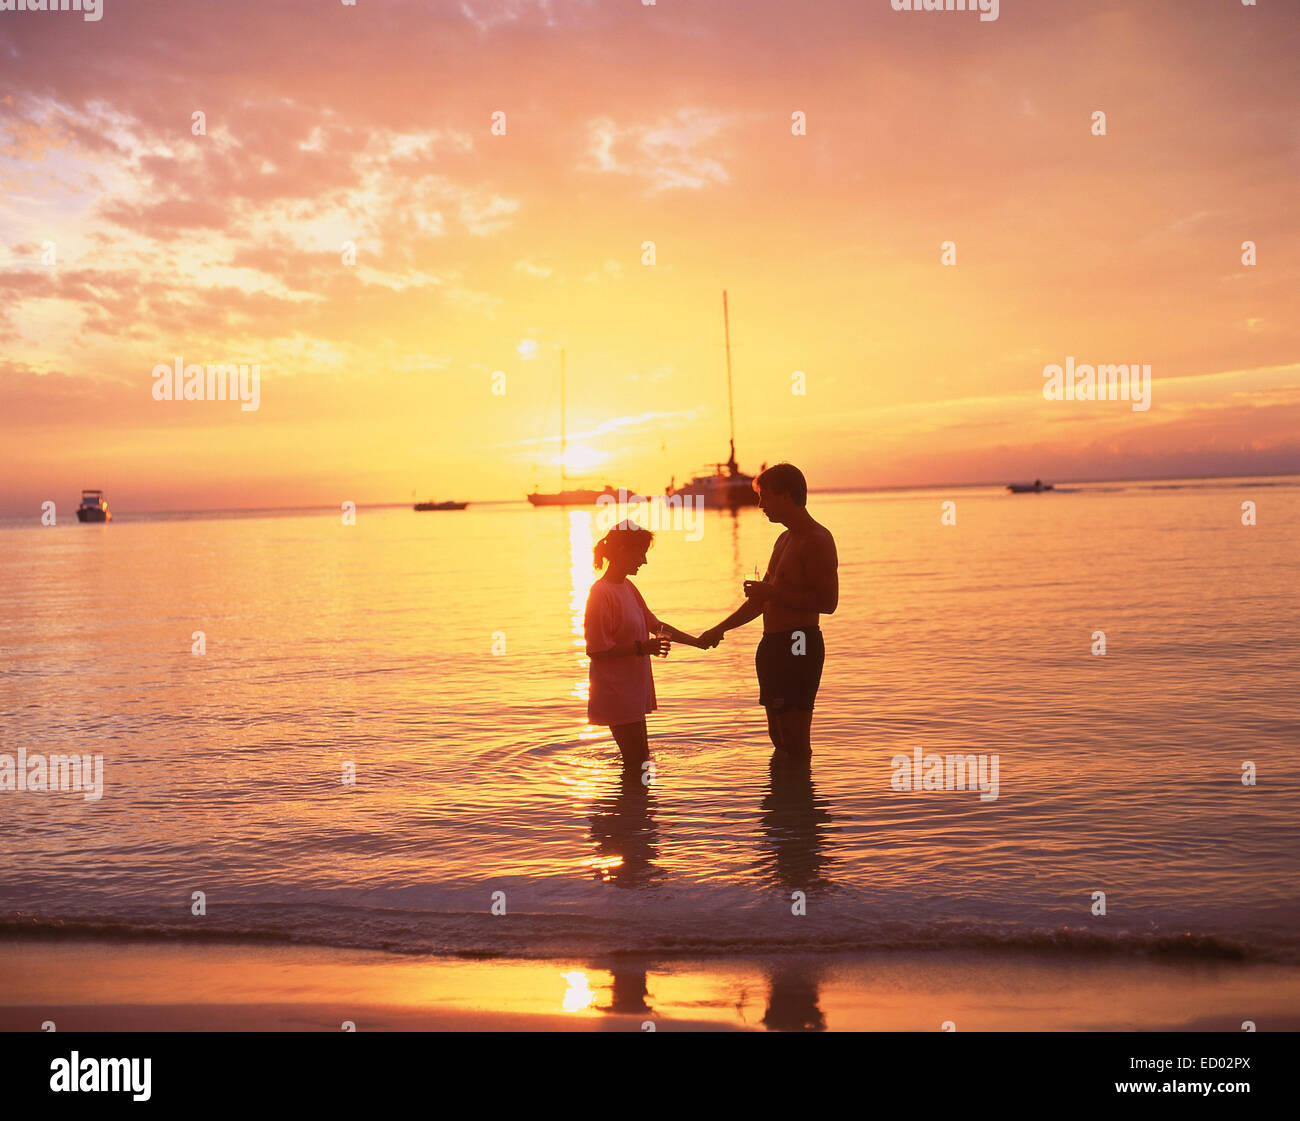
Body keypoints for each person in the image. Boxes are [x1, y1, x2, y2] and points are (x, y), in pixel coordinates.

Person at [700, 464, 838, 761]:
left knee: (795, 738)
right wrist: (719, 629)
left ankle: (802, 803)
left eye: (765, 497)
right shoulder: (783, 539)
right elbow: (761, 602)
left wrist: (772, 593)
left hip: (799, 644)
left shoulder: (817, 539)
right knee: (777, 736)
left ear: (786, 496)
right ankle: (783, 804)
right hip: (772, 646)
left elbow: (828, 602)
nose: (760, 505)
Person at [585, 521, 707, 767]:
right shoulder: (601, 593)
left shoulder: (628, 587)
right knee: (637, 762)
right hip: (615, 692)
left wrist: (697, 642)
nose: (644, 561)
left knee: (640, 761)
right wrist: (642, 648)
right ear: (621, 550)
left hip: (632, 690)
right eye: (640, 553)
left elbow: (655, 625)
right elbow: (596, 650)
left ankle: (635, 805)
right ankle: (632, 805)